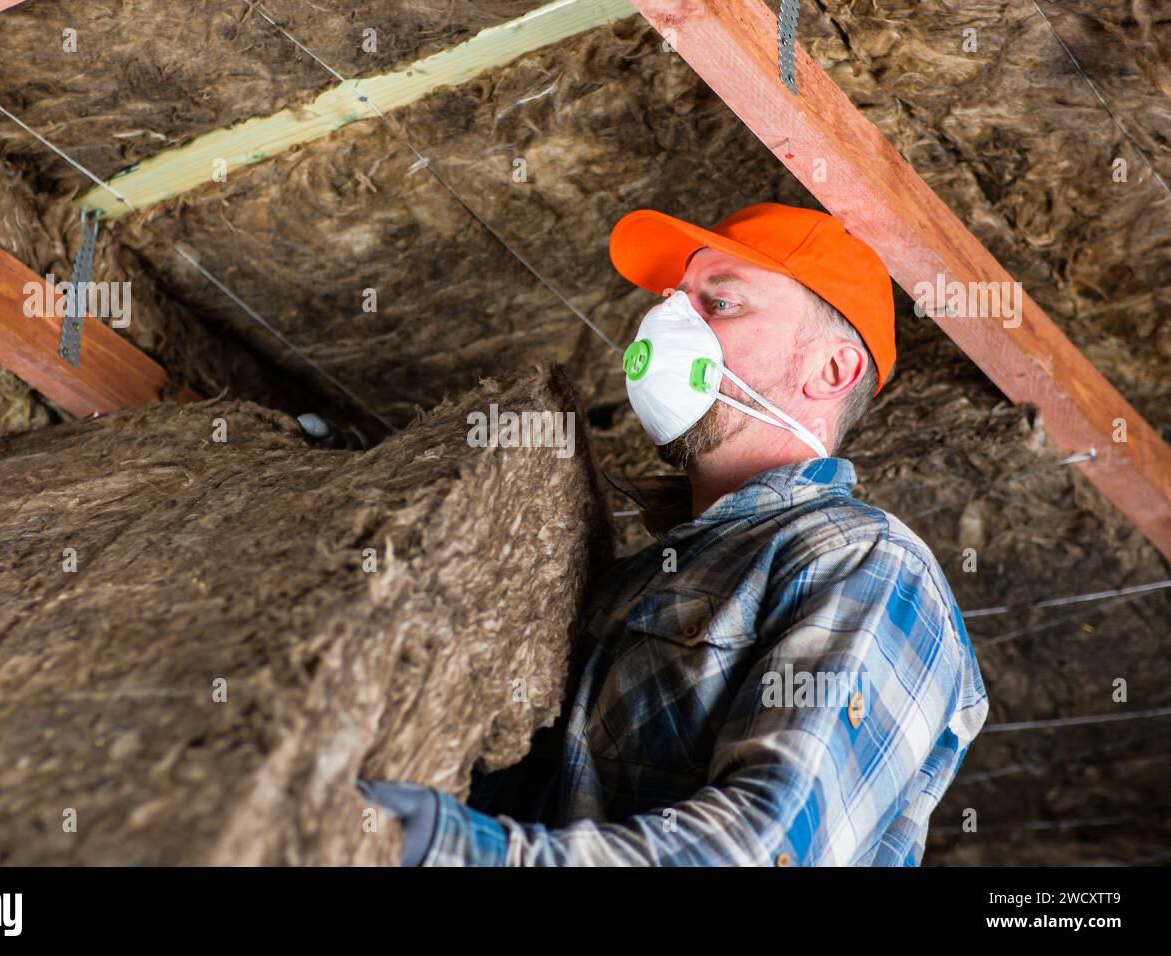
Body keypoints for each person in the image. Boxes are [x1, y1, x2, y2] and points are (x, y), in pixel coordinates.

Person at [361, 202, 989, 866]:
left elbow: (768, 848)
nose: (668, 326)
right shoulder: (632, 575)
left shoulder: (865, 564)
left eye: (719, 305)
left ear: (831, 371)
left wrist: (462, 850)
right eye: (673, 301)